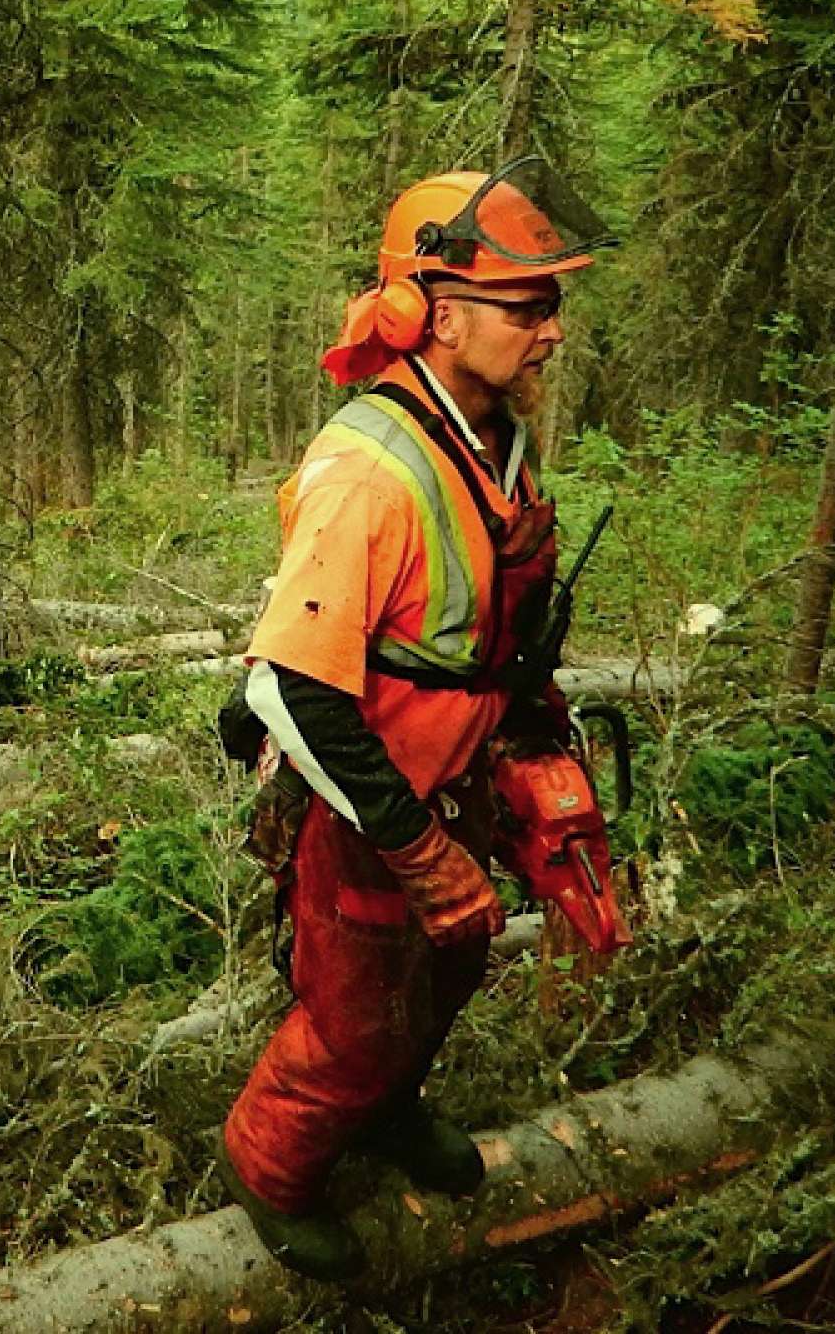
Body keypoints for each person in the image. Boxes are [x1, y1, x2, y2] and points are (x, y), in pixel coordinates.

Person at [215, 159, 611, 1280]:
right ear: (439, 315)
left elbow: (486, 618)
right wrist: (416, 849)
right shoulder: (367, 470)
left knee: (450, 964)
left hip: (458, 769)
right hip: (364, 795)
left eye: (553, 305)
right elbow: (288, 688)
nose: (551, 331)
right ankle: (268, 1166)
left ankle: (386, 1113)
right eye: (525, 307)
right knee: (354, 1019)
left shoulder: (492, 440)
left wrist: (530, 735)